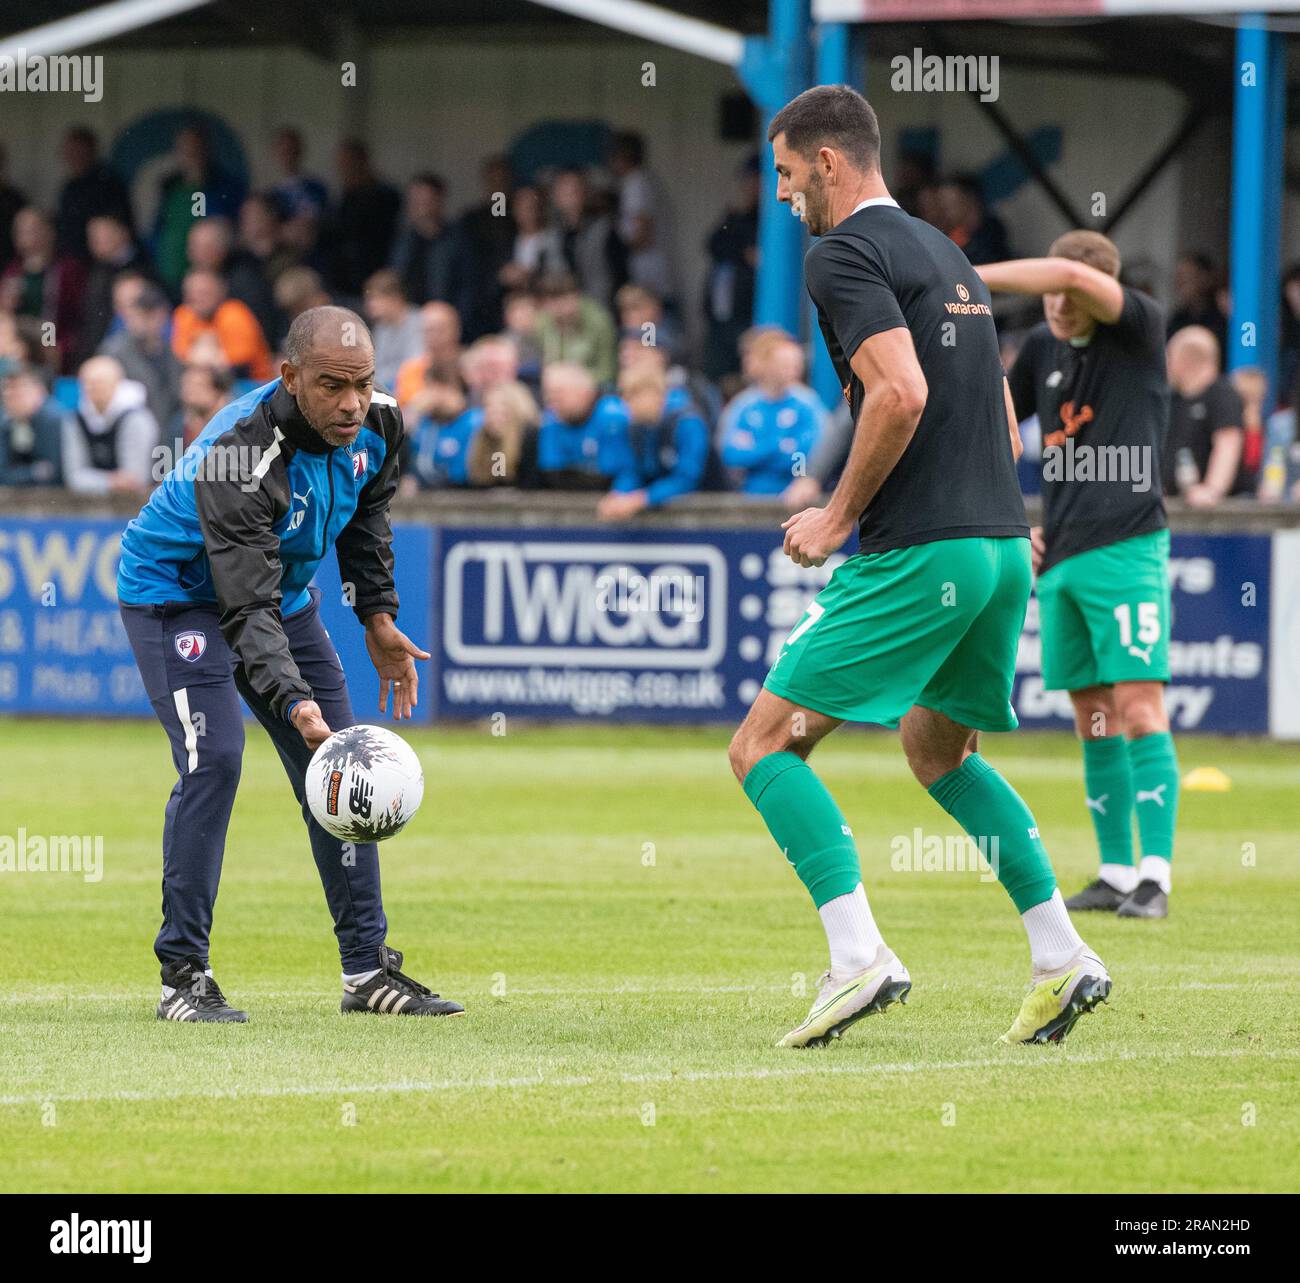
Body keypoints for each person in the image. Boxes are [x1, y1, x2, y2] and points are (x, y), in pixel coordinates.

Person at [729, 84, 1111, 1049]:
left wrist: (836, 513)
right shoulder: (948, 253)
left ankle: (859, 958)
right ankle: (1061, 954)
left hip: (923, 548)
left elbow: (898, 392)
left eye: (784, 173)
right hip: (997, 545)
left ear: (827, 162)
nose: (782, 196)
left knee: (762, 747)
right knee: (939, 750)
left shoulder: (842, 250)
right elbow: (1002, 417)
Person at [115, 305, 464, 1023]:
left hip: (283, 595)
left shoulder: (382, 422)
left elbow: (367, 514)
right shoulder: (237, 456)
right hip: (179, 595)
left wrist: (378, 615)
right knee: (215, 759)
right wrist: (294, 699)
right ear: (290, 378)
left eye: (363, 383)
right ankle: (182, 976)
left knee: (342, 769)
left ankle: (367, 970)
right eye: (334, 386)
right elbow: (243, 606)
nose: (352, 403)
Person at [985, 229, 1178, 921]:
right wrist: (1014, 517)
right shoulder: (1041, 349)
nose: (1058, 304)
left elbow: (1071, 271)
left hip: (1127, 549)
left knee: (1137, 707)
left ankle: (1156, 876)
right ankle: (1116, 870)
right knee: (1091, 716)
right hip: (1060, 558)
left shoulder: (1141, 328)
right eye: (1050, 294)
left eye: (1070, 292)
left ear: (1103, 292)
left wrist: (960, 273)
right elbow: (995, 424)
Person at [598, 362, 708, 519]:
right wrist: (619, 495)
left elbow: (687, 478)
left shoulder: (688, 423)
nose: (626, 404)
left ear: (656, 393)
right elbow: (632, 471)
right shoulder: (636, 426)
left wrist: (642, 499)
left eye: (632, 396)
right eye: (624, 397)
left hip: (705, 510)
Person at [719, 332, 825, 494]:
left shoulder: (809, 404)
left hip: (795, 498)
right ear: (766, 363)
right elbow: (732, 456)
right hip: (750, 498)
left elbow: (810, 457)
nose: (792, 371)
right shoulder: (743, 405)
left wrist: (759, 453)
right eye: (784, 364)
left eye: (795, 365)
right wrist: (778, 446)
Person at [1163, 326, 1244, 506]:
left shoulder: (1222, 394)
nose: (1166, 364)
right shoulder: (1173, 400)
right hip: (1176, 504)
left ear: (1187, 359)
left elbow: (1228, 442)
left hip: (1219, 515)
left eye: (1170, 357)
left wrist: (1212, 489)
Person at [63, 355, 157, 495]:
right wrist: (110, 482)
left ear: (117, 383)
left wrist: (95, 481)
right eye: (87, 383)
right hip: (90, 504)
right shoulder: (75, 418)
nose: (93, 388)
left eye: (99, 383)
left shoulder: (137, 419)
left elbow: (135, 479)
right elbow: (74, 477)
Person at [99, 277, 183, 433]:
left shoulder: (172, 354)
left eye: (152, 314)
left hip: (167, 436)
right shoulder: (113, 352)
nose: (146, 321)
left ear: (163, 315)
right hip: (128, 434)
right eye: (141, 313)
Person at [537, 362, 629, 490]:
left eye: (559, 393)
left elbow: (613, 473)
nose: (552, 400)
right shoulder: (550, 420)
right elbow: (551, 471)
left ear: (585, 392)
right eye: (548, 393)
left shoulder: (612, 416)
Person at [172, 269, 274, 381]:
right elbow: (179, 356)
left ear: (220, 292)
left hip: (252, 386)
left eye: (203, 293)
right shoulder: (184, 315)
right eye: (191, 294)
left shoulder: (234, 313)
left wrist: (201, 358)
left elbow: (239, 365)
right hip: (206, 387)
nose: (197, 299)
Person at [56, 126, 134, 261]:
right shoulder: (69, 187)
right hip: (73, 261)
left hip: (103, 259)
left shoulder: (108, 182)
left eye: (79, 151)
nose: (74, 157)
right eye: (70, 152)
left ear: (91, 150)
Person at [534, 269, 617, 387]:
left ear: (576, 295)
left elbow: (607, 371)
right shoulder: (543, 322)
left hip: (591, 388)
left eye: (564, 299)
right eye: (552, 302)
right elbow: (543, 364)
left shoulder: (598, 321)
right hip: (556, 387)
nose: (560, 309)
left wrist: (579, 381)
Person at [0, 362, 63, 486]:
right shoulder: (6, 420)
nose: (9, 395)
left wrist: (17, 474)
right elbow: (2, 473)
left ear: (40, 391)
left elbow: (54, 473)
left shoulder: (54, 419)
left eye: (18, 392)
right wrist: (34, 472)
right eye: (6, 390)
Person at [363, 269, 424, 393]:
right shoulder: (382, 327)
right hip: (385, 386)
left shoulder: (418, 322)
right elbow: (375, 365)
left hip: (412, 387)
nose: (370, 305)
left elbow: (415, 364)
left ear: (395, 298)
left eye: (375, 298)